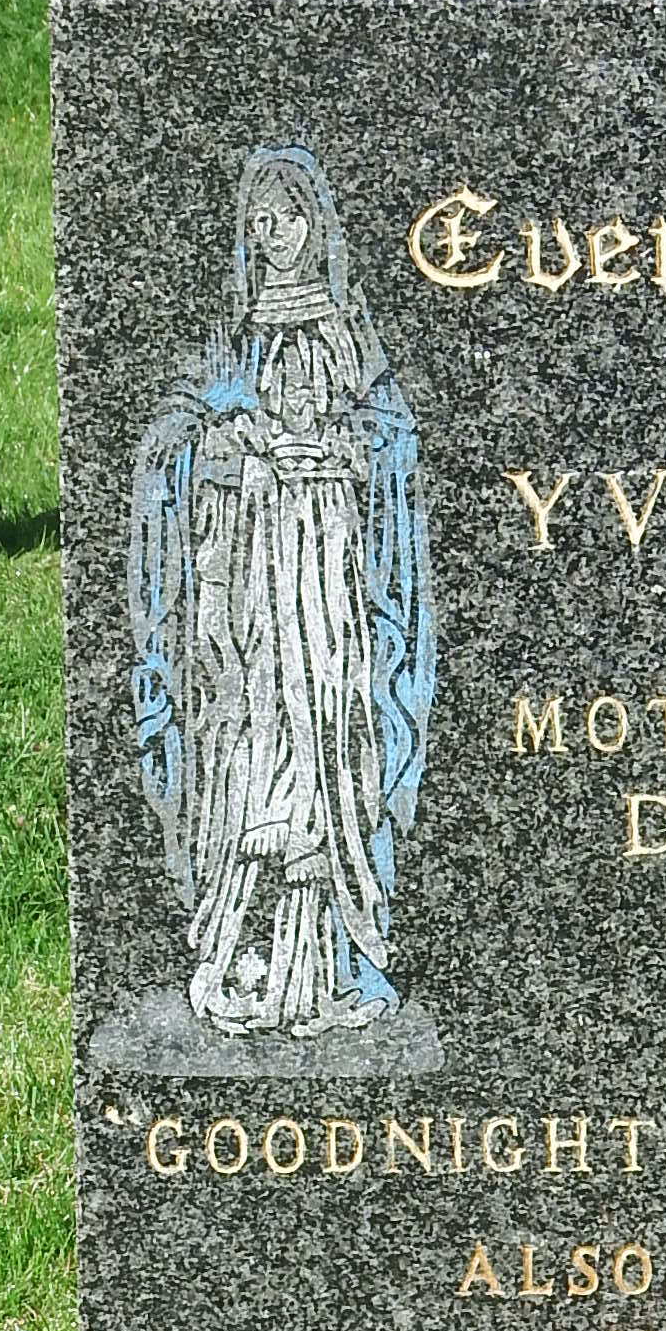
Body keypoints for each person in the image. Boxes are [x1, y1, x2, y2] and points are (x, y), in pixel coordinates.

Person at [127, 146, 436, 1039]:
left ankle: (325, 957)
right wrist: (232, 449)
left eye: (286, 216)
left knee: (324, 741)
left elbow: (390, 438)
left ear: (315, 224)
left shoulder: (349, 331)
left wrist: (340, 454)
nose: (272, 236)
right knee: (246, 740)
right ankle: (238, 949)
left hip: (328, 583)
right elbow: (173, 437)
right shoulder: (231, 338)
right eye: (256, 223)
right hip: (244, 583)